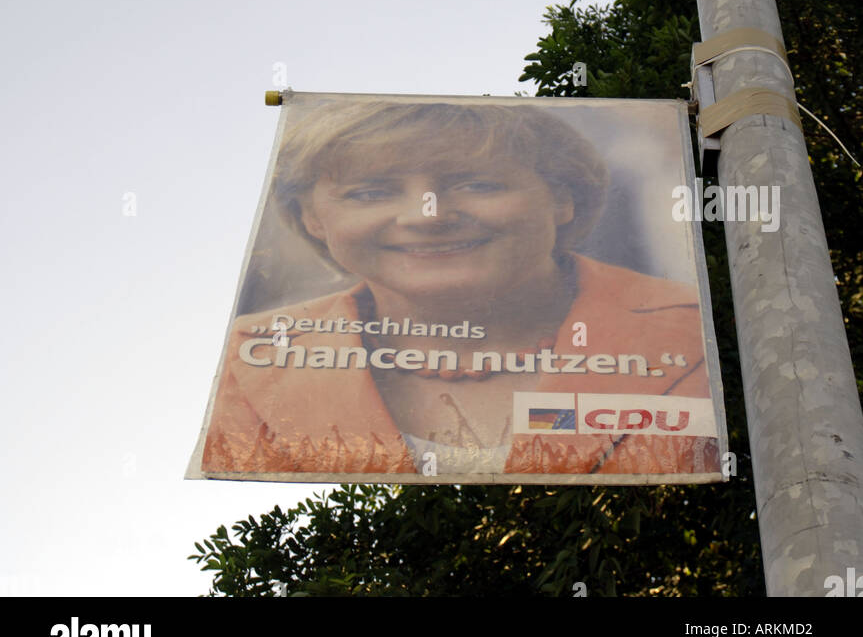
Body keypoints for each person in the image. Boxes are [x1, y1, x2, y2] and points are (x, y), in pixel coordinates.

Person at [200, 98, 720, 480]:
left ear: (562, 199)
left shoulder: (699, 328)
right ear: (312, 218)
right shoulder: (251, 359)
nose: (428, 217)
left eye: (477, 183)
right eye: (371, 192)